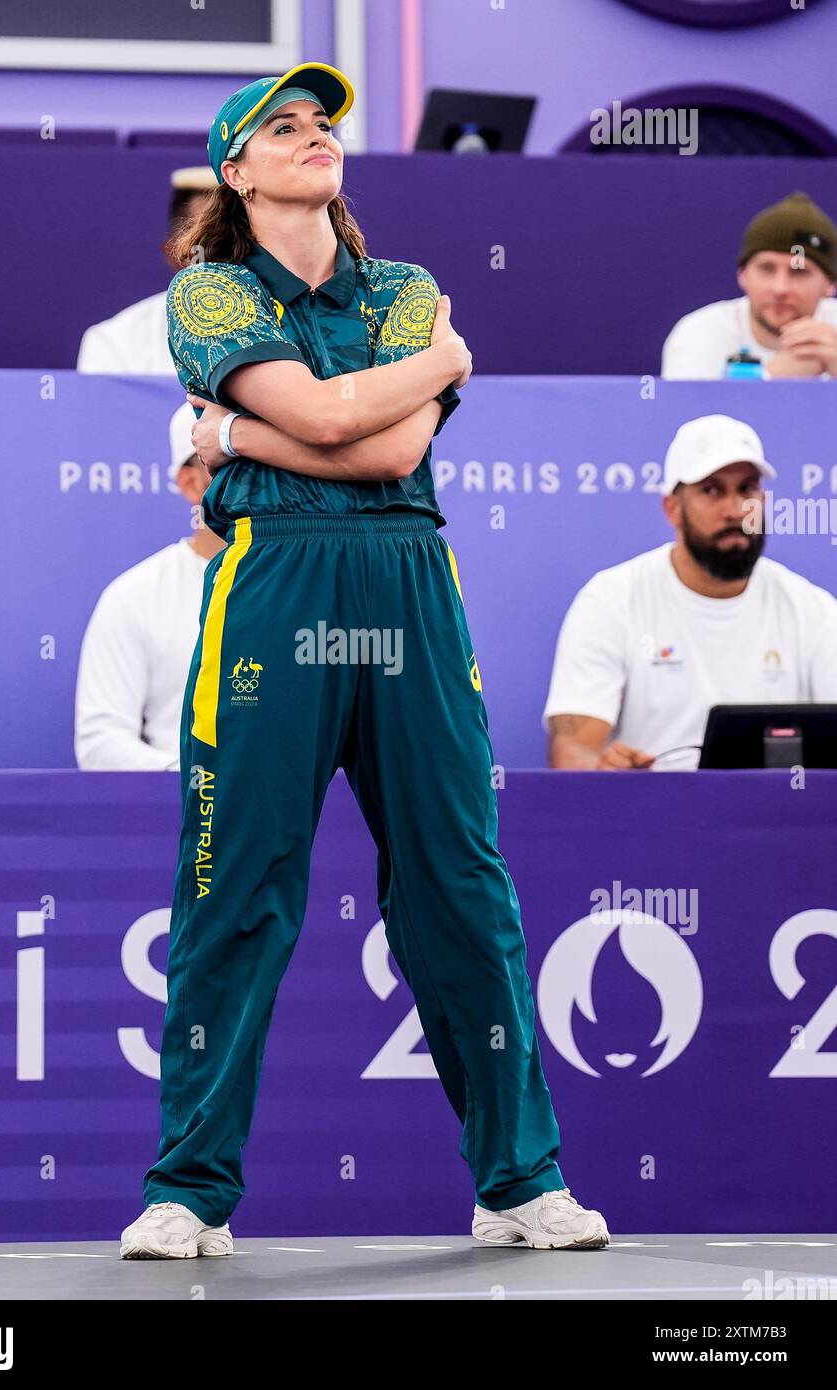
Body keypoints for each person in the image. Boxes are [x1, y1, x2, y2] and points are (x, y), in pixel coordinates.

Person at [120, 61, 609, 1259]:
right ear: (236, 170)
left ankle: (518, 1180)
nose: (313, 136)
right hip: (273, 583)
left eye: (324, 122)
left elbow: (389, 458)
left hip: (407, 577)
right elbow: (352, 425)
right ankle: (189, 1191)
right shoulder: (208, 293)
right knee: (237, 885)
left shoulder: (405, 284)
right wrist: (441, 365)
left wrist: (238, 431)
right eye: (281, 127)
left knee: (458, 881)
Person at [544, 414, 837, 771]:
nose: (734, 510)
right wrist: (607, 771)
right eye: (711, 490)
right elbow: (572, 752)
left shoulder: (812, 609)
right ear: (673, 508)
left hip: (782, 821)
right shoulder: (611, 601)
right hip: (654, 818)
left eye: (747, 489)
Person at [73, 404, 225, 770]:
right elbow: (100, 742)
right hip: (186, 815)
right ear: (190, 483)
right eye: (225, 463)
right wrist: (199, 781)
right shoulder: (135, 596)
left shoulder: (314, 586)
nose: (254, 481)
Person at [661, 192, 837, 380]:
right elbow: (689, 409)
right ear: (742, 275)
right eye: (767, 269)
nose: (780, 288)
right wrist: (770, 377)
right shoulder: (700, 333)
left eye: (799, 272)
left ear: (830, 284)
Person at [77, 166, 218, 374]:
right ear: (173, 254)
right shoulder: (117, 344)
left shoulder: (283, 330)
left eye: (244, 241)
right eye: (208, 244)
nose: (229, 257)